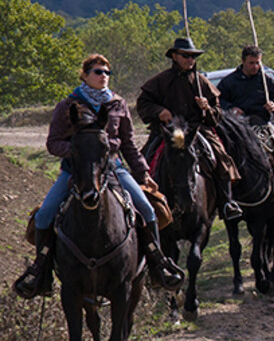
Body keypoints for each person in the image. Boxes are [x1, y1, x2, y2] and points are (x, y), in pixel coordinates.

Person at [14, 54, 184, 299]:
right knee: (43, 216)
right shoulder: (67, 105)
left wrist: (143, 173)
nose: (103, 76)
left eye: (107, 72)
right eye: (97, 71)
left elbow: (127, 144)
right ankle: (41, 272)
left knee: (147, 210)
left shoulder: (118, 104)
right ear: (84, 75)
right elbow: (53, 143)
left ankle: (158, 267)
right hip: (76, 171)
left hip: (114, 168)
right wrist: (75, 151)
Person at [137, 37, 242, 221]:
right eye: (185, 56)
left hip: (197, 130)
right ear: (174, 57)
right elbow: (143, 104)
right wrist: (159, 111)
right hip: (168, 132)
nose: (190, 60)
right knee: (143, 160)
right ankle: (142, 203)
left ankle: (227, 202)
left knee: (221, 158)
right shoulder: (160, 80)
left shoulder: (202, 82)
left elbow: (217, 114)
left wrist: (207, 109)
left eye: (193, 56)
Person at [217, 45, 274, 201]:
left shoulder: (267, 80)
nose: (255, 66)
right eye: (251, 63)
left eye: (258, 63)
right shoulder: (228, 82)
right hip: (238, 128)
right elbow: (218, 102)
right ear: (242, 61)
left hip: (262, 124)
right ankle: (224, 198)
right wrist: (231, 109)